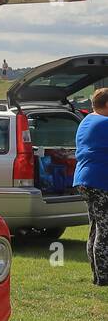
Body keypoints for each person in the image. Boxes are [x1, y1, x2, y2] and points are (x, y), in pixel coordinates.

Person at [73, 89, 108, 286]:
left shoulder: (86, 122)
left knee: (95, 227)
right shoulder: (105, 123)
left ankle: (97, 274)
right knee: (105, 230)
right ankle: (104, 277)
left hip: (84, 179)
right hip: (102, 180)